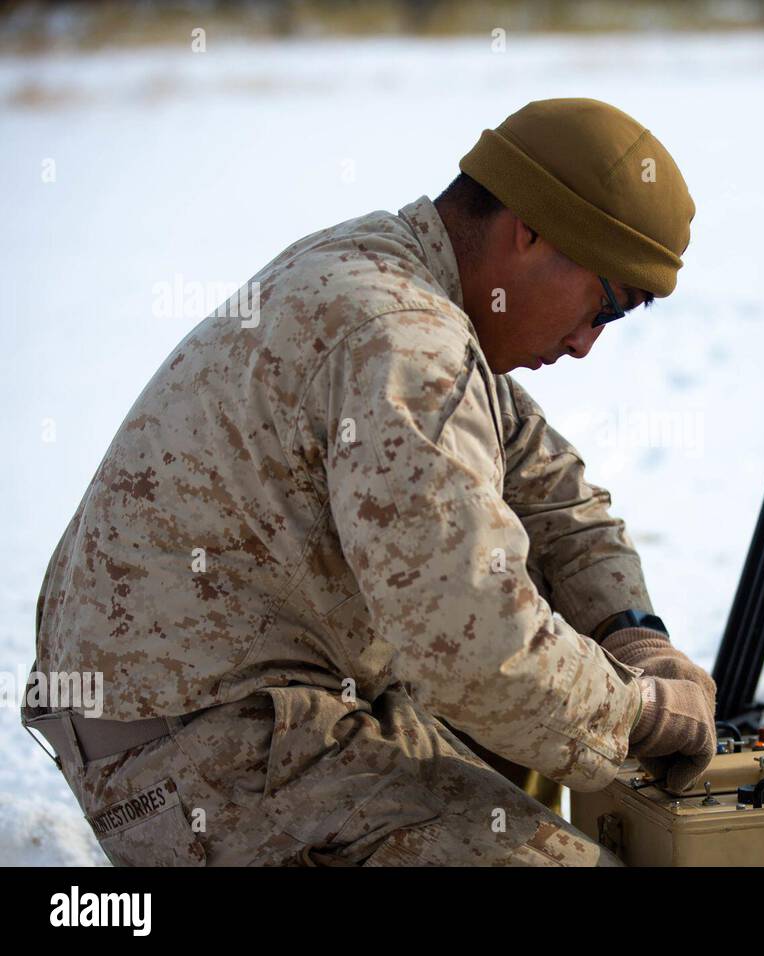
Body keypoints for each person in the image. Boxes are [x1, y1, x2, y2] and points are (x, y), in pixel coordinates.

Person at [22, 97, 716, 866]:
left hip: (204, 706)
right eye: (606, 305)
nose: (587, 344)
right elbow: (480, 647)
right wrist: (641, 713)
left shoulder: (391, 268)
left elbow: (550, 490)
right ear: (530, 232)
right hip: (203, 752)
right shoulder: (407, 342)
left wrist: (633, 634)